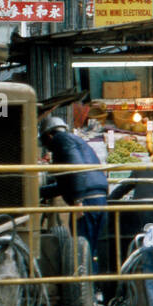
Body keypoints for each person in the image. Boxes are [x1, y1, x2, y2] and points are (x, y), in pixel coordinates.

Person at [39, 114, 110, 281]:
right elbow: (66, 182)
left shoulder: (61, 140)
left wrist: (78, 201)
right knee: (89, 250)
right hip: (98, 199)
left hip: (85, 202)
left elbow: (75, 166)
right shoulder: (76, 141)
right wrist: (41, 193)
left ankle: (85, 294)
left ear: (49, 135)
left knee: (81, 251)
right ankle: (92, 294)